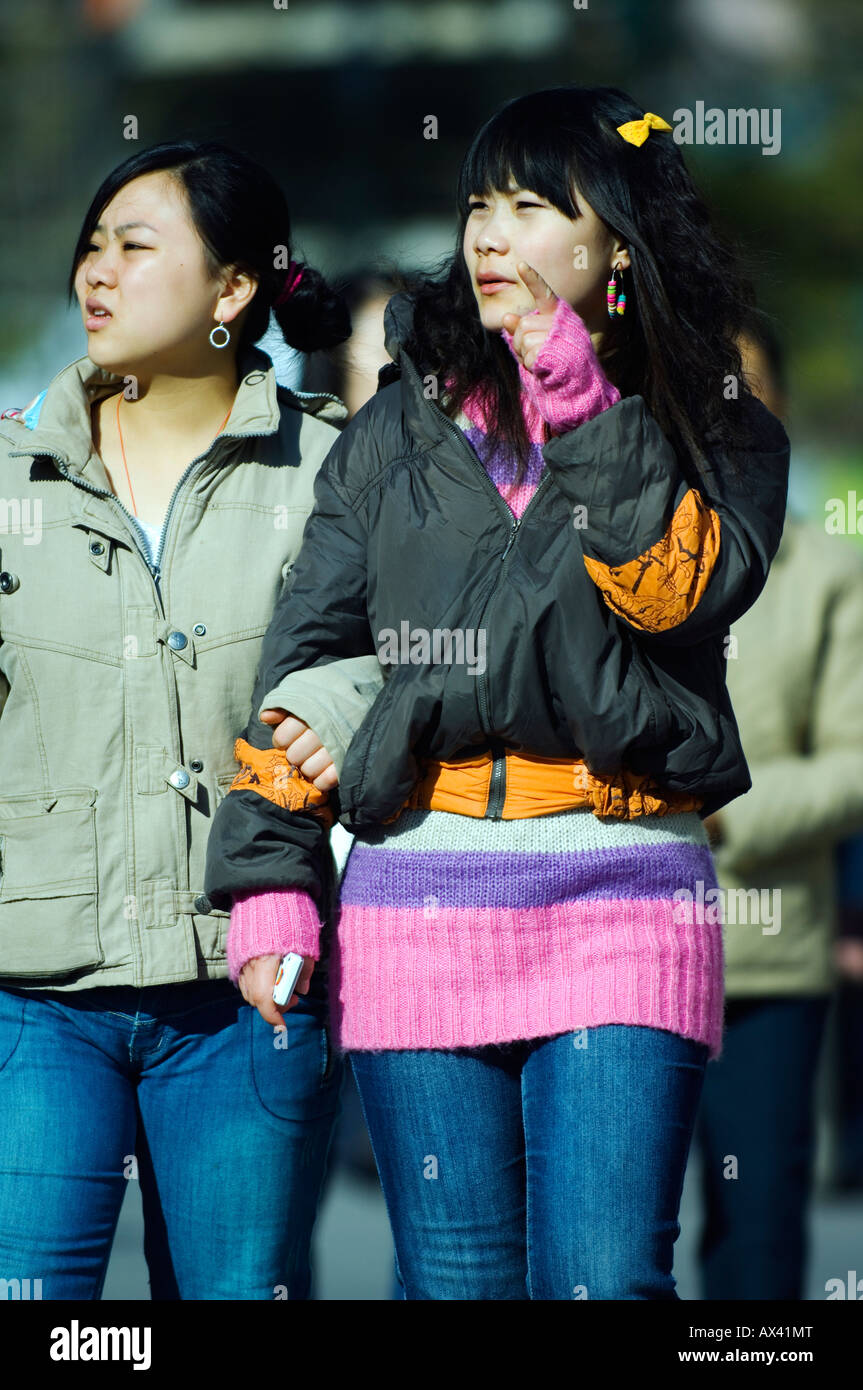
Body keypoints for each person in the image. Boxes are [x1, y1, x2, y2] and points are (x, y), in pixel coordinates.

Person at [205, 86, 790, 1300]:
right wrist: (270, 884)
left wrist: (579, 401)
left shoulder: (716, 427)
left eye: (529, 204)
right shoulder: (399, 426)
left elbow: (673, 593)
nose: (487, 233)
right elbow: (304, 658)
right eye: (477, 203)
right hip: (419, 897)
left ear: (616, 241)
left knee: (599, 1277)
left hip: (624, 892)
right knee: (452, 1287)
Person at [0, 138, 374, 1300]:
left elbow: (413, 655)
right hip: (33, 989)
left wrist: (336, 701)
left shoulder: (334, 468)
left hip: (249, 984)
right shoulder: (11, 477)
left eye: (135, 245)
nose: (95, 273)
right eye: (92, 246)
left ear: (232, 290)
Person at [695, 316, 863, 1298]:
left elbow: (853, 760)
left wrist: (723, 809)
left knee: (754, 1252)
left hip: (760, 959)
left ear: (782, 410)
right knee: (595, 1248)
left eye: (742, 389)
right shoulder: (595, 549)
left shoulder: (828, 576)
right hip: (602, 948)